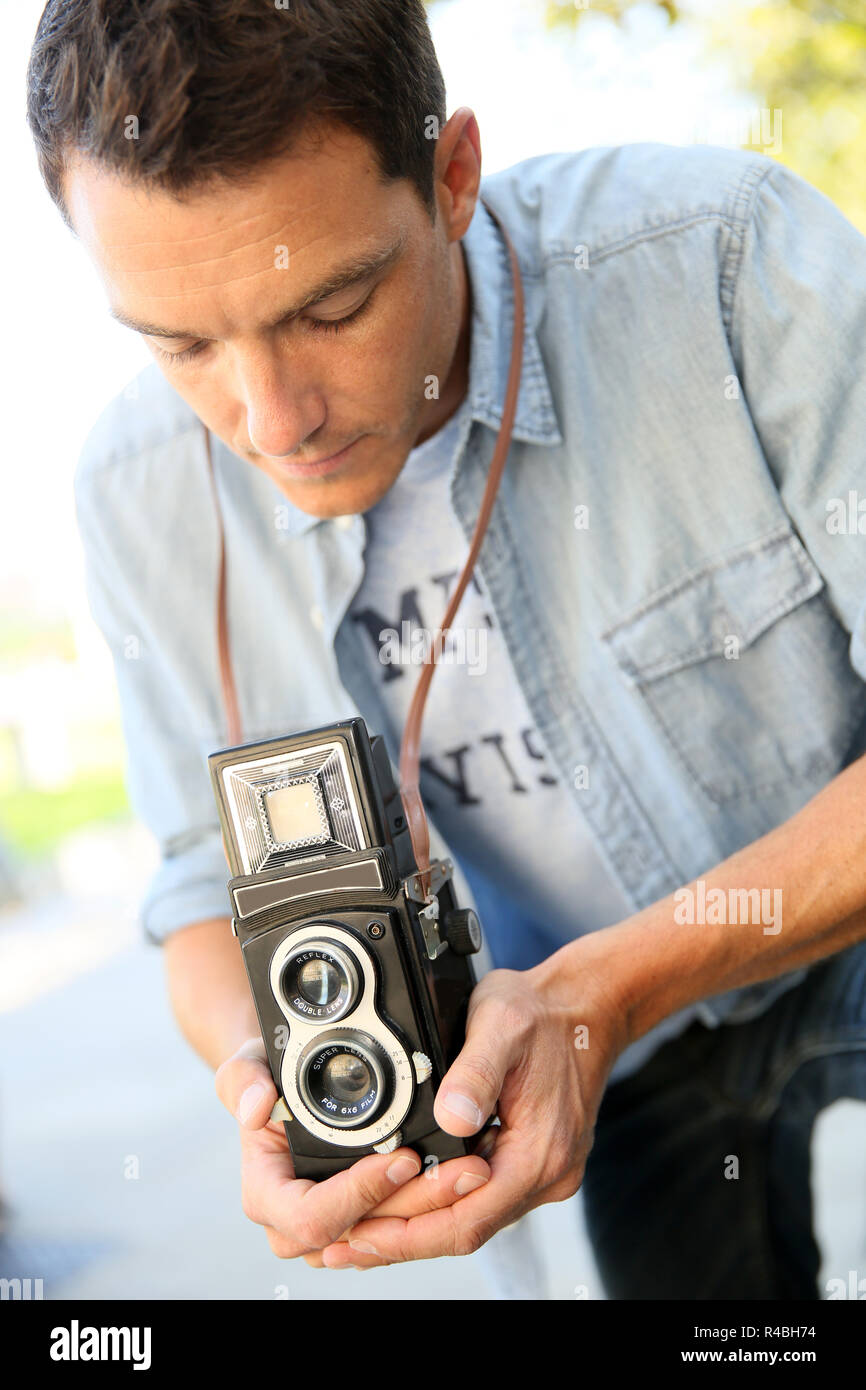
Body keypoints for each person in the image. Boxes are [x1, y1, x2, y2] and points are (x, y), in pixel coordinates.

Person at [26, 0, 866, 1298]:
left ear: (453, 173)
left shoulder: (723, 264)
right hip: (617, 1053)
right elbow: (199, 883)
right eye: (180, 343)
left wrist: (612, 984)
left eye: (333, 303)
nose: (270, 418)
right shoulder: (137, 492)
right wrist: (269, 1073)